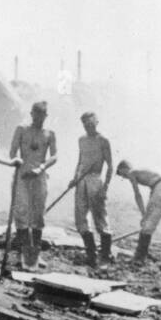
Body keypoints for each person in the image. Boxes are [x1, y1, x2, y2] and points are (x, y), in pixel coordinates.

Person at [9, 101, 57, 271]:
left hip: (39, 175)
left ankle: (35, 254)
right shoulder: (21, 129)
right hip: (23, 174)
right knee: (21, 210)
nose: (38, 117)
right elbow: (12, 152)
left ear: (46, 116)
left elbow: (54, 156)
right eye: (35, 114)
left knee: (38, 213)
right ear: (31, 114)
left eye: (42, 114)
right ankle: (22, 253)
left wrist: (41, 168)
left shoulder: (49, 133)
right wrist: (20, 163)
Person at [116, 160, 161, 267]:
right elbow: (154, 193)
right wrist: (147, 214)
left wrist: (144, 215)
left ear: (125, 168)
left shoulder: (132, 172)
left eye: (122, 174)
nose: (125, 177)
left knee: (147, 226)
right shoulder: (146, 171)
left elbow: (137, 195)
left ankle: (139, 259)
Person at [69, 111, 113, 267]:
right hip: (81, 181)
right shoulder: (81, 140)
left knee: (100, 217)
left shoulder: (103, 140)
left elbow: (110, 167)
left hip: (95, 179)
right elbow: (80, 161)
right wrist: (75, 178)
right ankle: (91, 254)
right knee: (80, 218)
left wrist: (105, 188)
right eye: (85, 124)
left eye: (91, 124)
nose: (88, 127)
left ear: (97, 122)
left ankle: (106, 256)